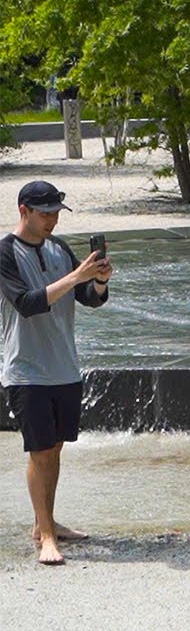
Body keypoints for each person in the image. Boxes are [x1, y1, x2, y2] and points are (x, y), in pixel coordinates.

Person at [1, 181, 111, 565]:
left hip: (65, 366)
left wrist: (97, 280)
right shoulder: (5, 252)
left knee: (56, 449)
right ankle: (46, 535)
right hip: (26, 370)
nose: (51, 220)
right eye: (44, 213)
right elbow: (28, 303)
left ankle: (45, 523)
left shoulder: (60, 248)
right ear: (24, 210)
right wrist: (75, 278)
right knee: (39, 452)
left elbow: (89, 300)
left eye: (55, 213)